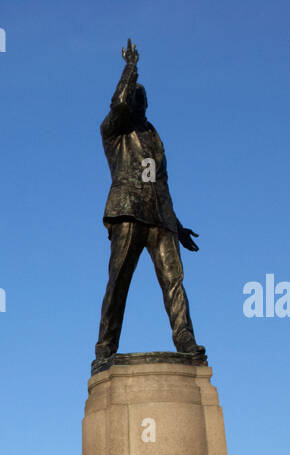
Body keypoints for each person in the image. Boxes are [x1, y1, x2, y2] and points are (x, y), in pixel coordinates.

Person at [95, 39, 206, 374]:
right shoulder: (114, 131)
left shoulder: (154, 136)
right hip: (128, 212)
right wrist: (130, 68)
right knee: (119, 283)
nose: (140, 102)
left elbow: (161, 183)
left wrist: (177, 224)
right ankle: (105, 348)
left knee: (174, 281)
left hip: (160, 219)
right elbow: (117, 103)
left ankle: (185, 339)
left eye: (144, 99)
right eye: (135, 97)